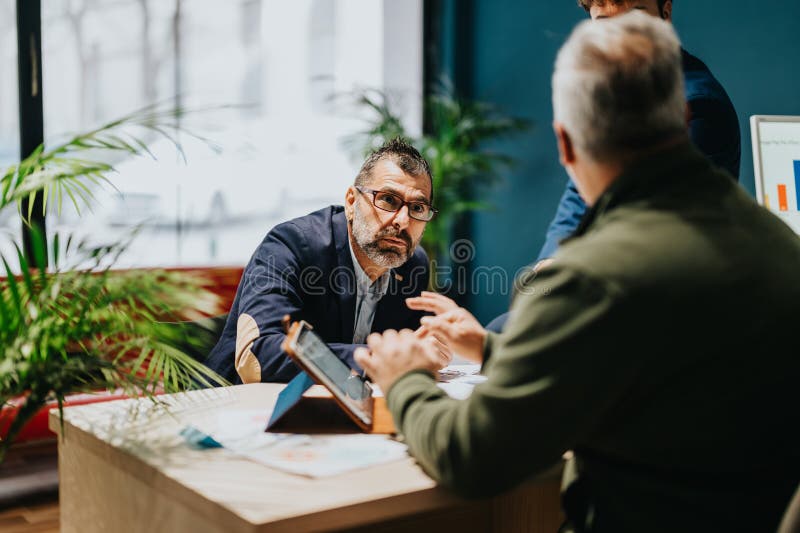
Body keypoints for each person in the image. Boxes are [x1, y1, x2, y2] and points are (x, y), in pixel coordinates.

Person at [356, 13, 800, 533]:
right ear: (683, 117)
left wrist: (406, 382)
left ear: (566, 145)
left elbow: (471, 457)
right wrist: (496, 350)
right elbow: (659, 372)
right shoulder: (781, 247)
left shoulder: (592, 277)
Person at [486, 0, 742, 333]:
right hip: (605, 278)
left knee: (505, 336)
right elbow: (578, 198)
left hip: (663, 299)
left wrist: (570, 280)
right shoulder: (609, 89)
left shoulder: (698, 107)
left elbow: (660, 238)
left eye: (635, 17)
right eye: (605, 23)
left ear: (666, 12)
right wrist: (548, 267)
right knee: (505, 326)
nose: (622, 37)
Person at [206, 138, 443, 383]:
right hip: (240, 402)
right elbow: (259, 355)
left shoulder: (413, 266)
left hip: (349, 404)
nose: (403, 221)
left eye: (417, 208)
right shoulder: (291, 244)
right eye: (388, 200)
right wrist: (378, 359)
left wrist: (427, 348)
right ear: (351, 202)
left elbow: (410, 354)